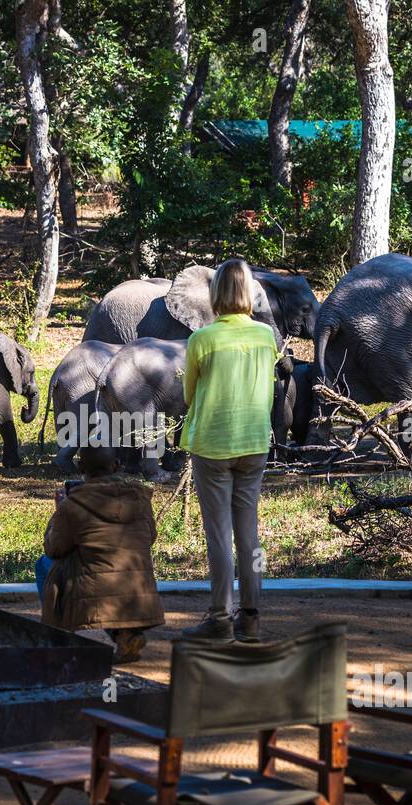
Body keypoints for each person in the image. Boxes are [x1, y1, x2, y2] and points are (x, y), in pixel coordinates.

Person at [178, 258, 279, 642]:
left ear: (216, 293)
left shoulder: (201, 340)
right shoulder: (266, 337)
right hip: (255, 444)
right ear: (249, 292)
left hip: (213, 446)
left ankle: (220, 617)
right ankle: (251, 617)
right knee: (249, 533)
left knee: (220, 535)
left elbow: (189, 394)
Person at [38, 444, 164, 662]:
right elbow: (150, 537)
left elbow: (54, 549)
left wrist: (58, 513)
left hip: (96, 597)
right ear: (116, 466)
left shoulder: (74, 505)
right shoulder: (140, 498)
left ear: (80, 466)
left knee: (44, 564)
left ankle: (59, 636)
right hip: (137, 589)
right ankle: (125, 635)